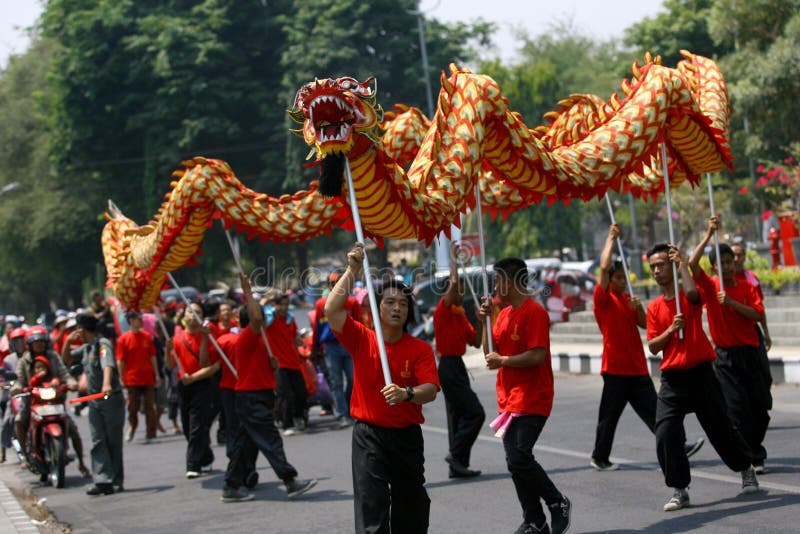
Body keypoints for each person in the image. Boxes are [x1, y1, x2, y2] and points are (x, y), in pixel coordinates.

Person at [326, 243, 439, 534]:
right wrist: (352, 269)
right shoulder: (361, 339)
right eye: (390, 302)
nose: (397, 308)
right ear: (377, 309)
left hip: (407, 438)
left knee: (411, 506)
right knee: (371, 507)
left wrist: (407, 394)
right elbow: (332, 309)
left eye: (403, 303)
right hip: (369, 436)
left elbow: (430, 389)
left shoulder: (420, 349)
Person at [645, 243, 758, 512]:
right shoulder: (654, 307)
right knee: (665, 432)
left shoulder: (689, 297)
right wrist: (672, 330)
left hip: (701, 374)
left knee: (720, 428)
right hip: (672, 378)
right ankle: (679, 489)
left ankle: (745, 468)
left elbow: (695, 294)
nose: (657, 270)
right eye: (653, 267)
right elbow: (653, 346)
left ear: (672, 266)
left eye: (662, 265)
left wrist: (683, 263)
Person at [591, 224, 703, 471]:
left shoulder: (626, 300)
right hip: (616, 369)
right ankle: (600, 456)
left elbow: (645, 324)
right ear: (609, 281)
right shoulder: (604, 300)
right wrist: (610, 238)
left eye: (624, 278)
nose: (622, 282)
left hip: (637, 368)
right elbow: (603, 267)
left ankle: (678, 444)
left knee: (658, 413)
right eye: (618, 278)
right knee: (608, 418)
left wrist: (639, 308)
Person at [478, 257, 571, 534]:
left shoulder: (535, 312)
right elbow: (488, 353)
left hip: (533, 396)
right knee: (515, 462)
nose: (494, 286)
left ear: (510, 281)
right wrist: (484, 322)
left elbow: (537, 355)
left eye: (497, 280)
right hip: (508, 399)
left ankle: (557, 502)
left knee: (519, 457)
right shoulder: (503, 314)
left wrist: (504, 360)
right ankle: (534, 520)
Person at [221, 273, 317, 503]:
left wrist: (271, 365)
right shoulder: (246, 336)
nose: (264, 320)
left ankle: (230, 486)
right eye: (261, 317)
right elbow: (255, 319)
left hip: (255, 395)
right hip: (251, 397)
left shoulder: (257, 340)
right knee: (271, 439)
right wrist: (247, 292)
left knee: (243, 444)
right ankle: (289, 480)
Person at [689, 219, 770, 473]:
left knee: (761, 406)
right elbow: (691, 264)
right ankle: (751, 457)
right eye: (720, 263)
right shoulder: (711, 286)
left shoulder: (747, 284)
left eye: (729, 261)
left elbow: (757, 314)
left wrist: (732, 304)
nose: (725, 266)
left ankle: (754, 446)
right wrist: (709, 233)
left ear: (734, 263)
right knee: (736, 408)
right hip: (725, 356)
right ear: (713, 267)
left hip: (751, 350)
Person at [433, 243, 485, 478]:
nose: (461, 293)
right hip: (447, 366)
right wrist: (454, 260)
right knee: (476, 413)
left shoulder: (460, 315)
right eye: (458, 290)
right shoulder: (442, 311)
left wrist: (481, 321)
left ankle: (458, 465)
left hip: (458, 366)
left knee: (458, 416)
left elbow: (475, 342)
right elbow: (453, 284)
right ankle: (456, 455)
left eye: (463, 291)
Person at [63, 313, 125, 495]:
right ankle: (102, 479)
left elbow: (108, 364)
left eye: (78, 329)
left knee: (113, 440)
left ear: (83, 329)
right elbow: (66, 359)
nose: (77, 333)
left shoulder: (102, 344)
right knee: (98, 439)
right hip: (94, 400)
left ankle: (116, 480)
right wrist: (67, 342)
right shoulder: (86, 348)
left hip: (109, 397)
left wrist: (106, 383)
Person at [166, 302, 219, 478]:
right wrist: (167, 351)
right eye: (190, 312)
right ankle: (206, 456)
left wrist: (204, 339)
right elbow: (170, 365)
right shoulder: (177, 339)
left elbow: (207, 365)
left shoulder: (209, 337)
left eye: (197, 312)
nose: (193, 315)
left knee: (197, 425)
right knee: (188, 426)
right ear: (184, 316)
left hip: (202, 384)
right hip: (184, 386)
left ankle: (193, 465)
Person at [14, 326, 79, 469]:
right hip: (32, 402)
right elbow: (19, 379)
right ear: (29, 344)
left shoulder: (53, 356)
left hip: (54, 400)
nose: (39, 345)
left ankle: (82, 463)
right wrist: (18, 387)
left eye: (42, 342)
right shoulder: (25, 360)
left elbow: (65, 374)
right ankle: (26, 456)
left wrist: (71, 382)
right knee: (19, 420)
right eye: (36, 342)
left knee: (72, 429)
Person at [312, 272, 359, 427]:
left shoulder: (352, 302)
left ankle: (347, 407)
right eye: (334, 283)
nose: (337, 286)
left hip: (349, 346)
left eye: (340, 282)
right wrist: (315, 348)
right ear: (329, 286)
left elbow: (360, 327)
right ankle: (342, 414)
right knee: (336, 382)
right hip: (331, 348)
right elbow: (317, 327)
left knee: (352, 380)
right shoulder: (321, 304)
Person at [115, 311, 161, 443]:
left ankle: (151, 433)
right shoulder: (123, 339)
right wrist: (121, 377)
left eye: (140, 319)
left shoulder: (147, 336)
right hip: (132, 378)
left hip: (147, 377)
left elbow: (153, 356)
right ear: (130, 321)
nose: (140, 321)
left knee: (150, 407)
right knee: (133, 408)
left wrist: (156, 374)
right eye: (137, 319)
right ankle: (132, 426)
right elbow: (120, 360)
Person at [268, 293, 308, 436]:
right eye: (281, 304)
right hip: (278, 364)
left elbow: (294, 336)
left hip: (293, 361)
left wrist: (301, 342)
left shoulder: (289, 319)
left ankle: (298, 416)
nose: (284, 308)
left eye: (286, 304)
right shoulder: (268, 319)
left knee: (301, 392)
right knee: (285, 394)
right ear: (274, 305)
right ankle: (287, 424)